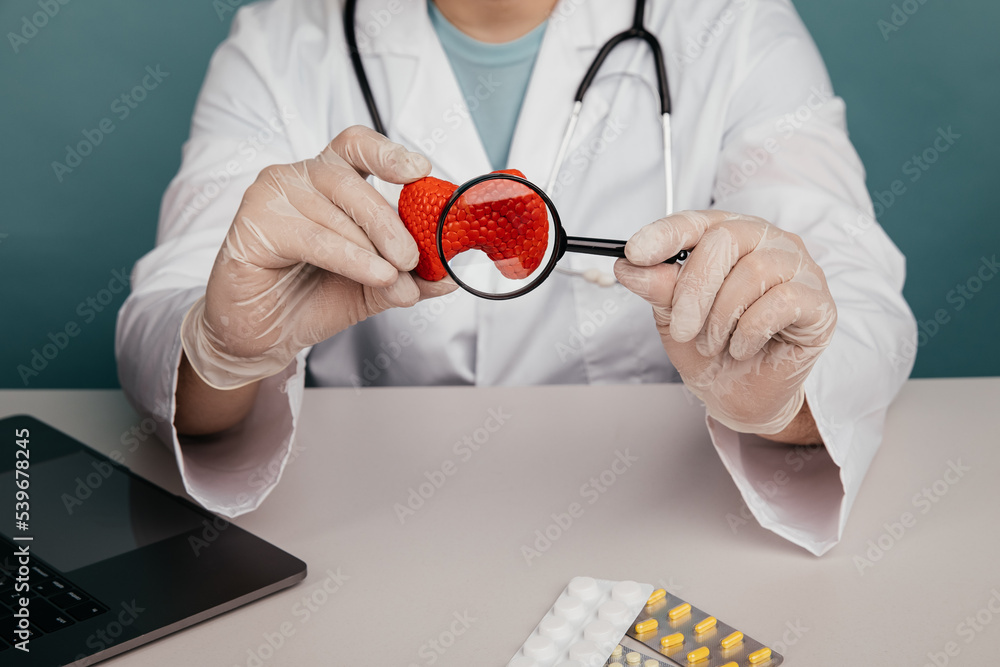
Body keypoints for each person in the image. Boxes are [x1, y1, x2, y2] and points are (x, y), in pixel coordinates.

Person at [116, 0, 916, 555]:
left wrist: (779, 396)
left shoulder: (734, 27)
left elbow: (859, 297)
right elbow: (165, 316)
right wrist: (223, 349)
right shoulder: (278, 44)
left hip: (650, 521)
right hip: (365, 532)